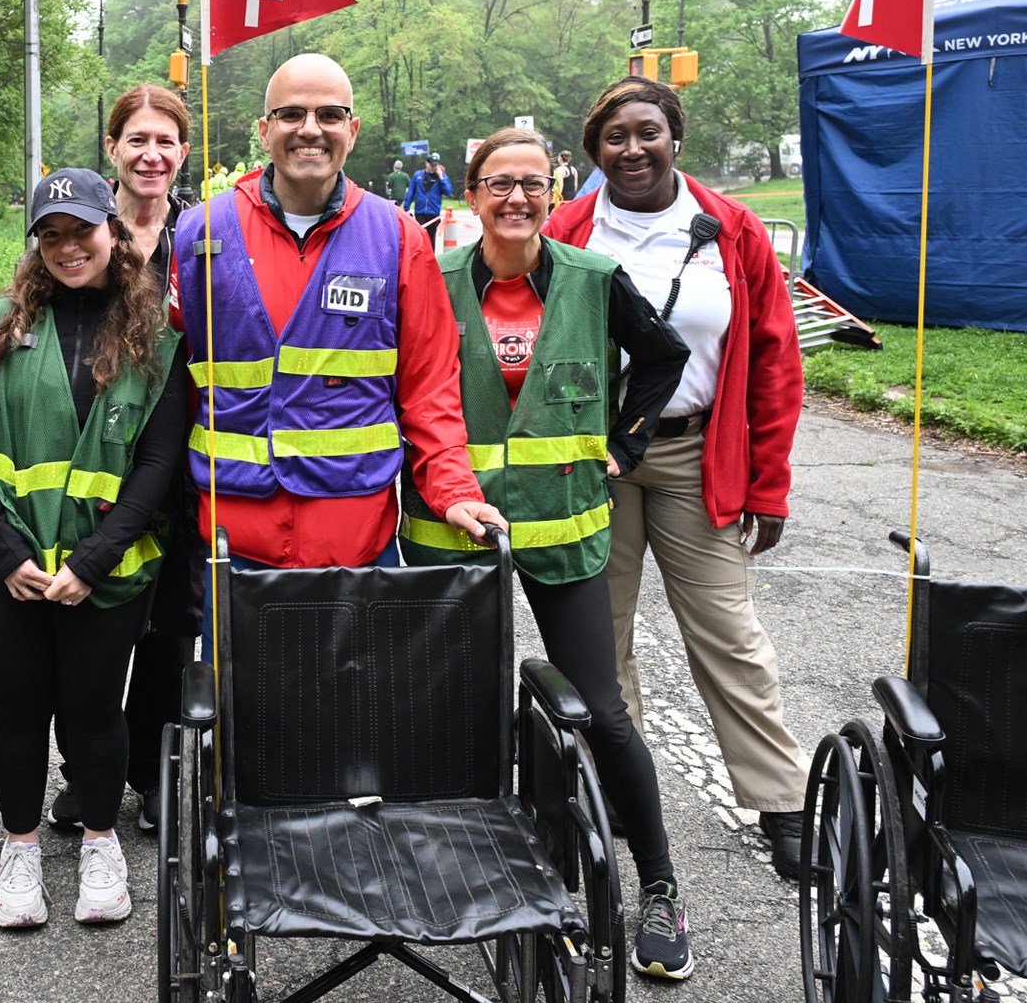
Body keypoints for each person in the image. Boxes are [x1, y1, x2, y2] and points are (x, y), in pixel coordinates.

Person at [399, 125, 697, 981]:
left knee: (601, 713)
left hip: (566, 528)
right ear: (471, 192)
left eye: (533, 182)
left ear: (555, 185)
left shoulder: (594, 280)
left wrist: (626, 443)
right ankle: (470, 871)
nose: (517, 198)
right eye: (499, 183)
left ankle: (661, 886)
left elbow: (663, 357)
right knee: (457, 713)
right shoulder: (431, 278)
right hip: (451, 533)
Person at [546, 75, 810, 881]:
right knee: (605, 636)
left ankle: (781, 798)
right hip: (598, 458)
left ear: (675, 137)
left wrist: (769, 482)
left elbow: (772, 360)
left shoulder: (730, 228)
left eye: (647, 132)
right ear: (596, 150)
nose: (633, 149)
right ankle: (619, 793)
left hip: (701, 452)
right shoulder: (568, 228)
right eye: (615, 137)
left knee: (728, 631)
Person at [0, 167, 188, 929]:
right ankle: (19, 847)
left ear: (111, 232)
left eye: (80, 230)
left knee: (92, 710)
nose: (65, 246)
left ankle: (99, 840)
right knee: (17, 707)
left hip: (104, 569)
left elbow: (157, 464)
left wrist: (93, 562)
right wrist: (1, 549)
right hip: (5, 561)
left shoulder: (156, 334)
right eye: (48, 235)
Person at [173, 53, 503, 585]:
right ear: (264, 130)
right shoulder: (200, 234)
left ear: (352, 130)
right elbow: (174, 382)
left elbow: (429, 387)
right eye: (291, 115)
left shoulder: (398, 239)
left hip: (359, 546)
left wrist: (455, 492)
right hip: (232, 551)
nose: (310, 130)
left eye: (329, 115)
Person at [47, 86, 200, 835]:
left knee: (170, 625)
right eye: (136, 139)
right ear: (113, 149)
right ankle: (85, 772)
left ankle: (154, 771)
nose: (151, 154)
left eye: (165, 141)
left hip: (181, 454)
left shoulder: (204, 238)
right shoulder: (77, 228)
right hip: (91, 456)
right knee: (87, 622)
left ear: (183, 152)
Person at [403, 152, 456, 243]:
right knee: (419, 238)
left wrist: (441, 178)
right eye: (431, 165)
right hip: (420, 212)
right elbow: (411, 192)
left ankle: (431, 256)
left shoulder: (442, 177)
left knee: (431, 239)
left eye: (435, 165)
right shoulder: (418, 175)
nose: (433, 167)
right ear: (426, 163)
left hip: (433, 213)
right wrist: (406, 208)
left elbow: (448, 191)